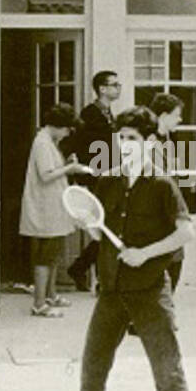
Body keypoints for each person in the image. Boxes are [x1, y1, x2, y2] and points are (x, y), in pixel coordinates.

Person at [47, 107, 196, 391]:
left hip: (149, 289)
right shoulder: (110, 182)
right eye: (121, 138)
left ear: (148, 142)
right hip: (112, 289)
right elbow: (100, 233)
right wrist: (91, 227)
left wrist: (144, 253)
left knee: (167, 367)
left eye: (131, 138)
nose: (124, 144)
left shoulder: (162, 184)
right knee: (93, 364)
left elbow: (186, 232)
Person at [19, 103, 91, 317]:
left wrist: (66, 163)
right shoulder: (42, 143)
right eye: (68, 129)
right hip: (45, 207)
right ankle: (39, 303)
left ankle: (50, 295)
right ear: (59, 126)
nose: (68, 134)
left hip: (51, 206)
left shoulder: (48, 141)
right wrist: (71, 168)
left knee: (52, 255)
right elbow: (46, 175)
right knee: (46, 256)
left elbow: (52, 170)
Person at [65, 70, 122, 291]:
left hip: (107, 175)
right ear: (102, 89)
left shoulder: (107, 113)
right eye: (114, 85)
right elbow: (80, 143)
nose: (118, 88)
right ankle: (95, 276)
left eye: (119, 85)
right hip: (97, 177)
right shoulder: (91, 113)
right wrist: (86, 173)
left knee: (107, 228)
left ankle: (82, 268)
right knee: (105, 227)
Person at [149, 91, 187, 292]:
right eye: (176, 115)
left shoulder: (168, 140)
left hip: (168, 210)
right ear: (163, 116)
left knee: (175, 262)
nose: (180, 120)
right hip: (157, 214)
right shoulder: (149, 143)